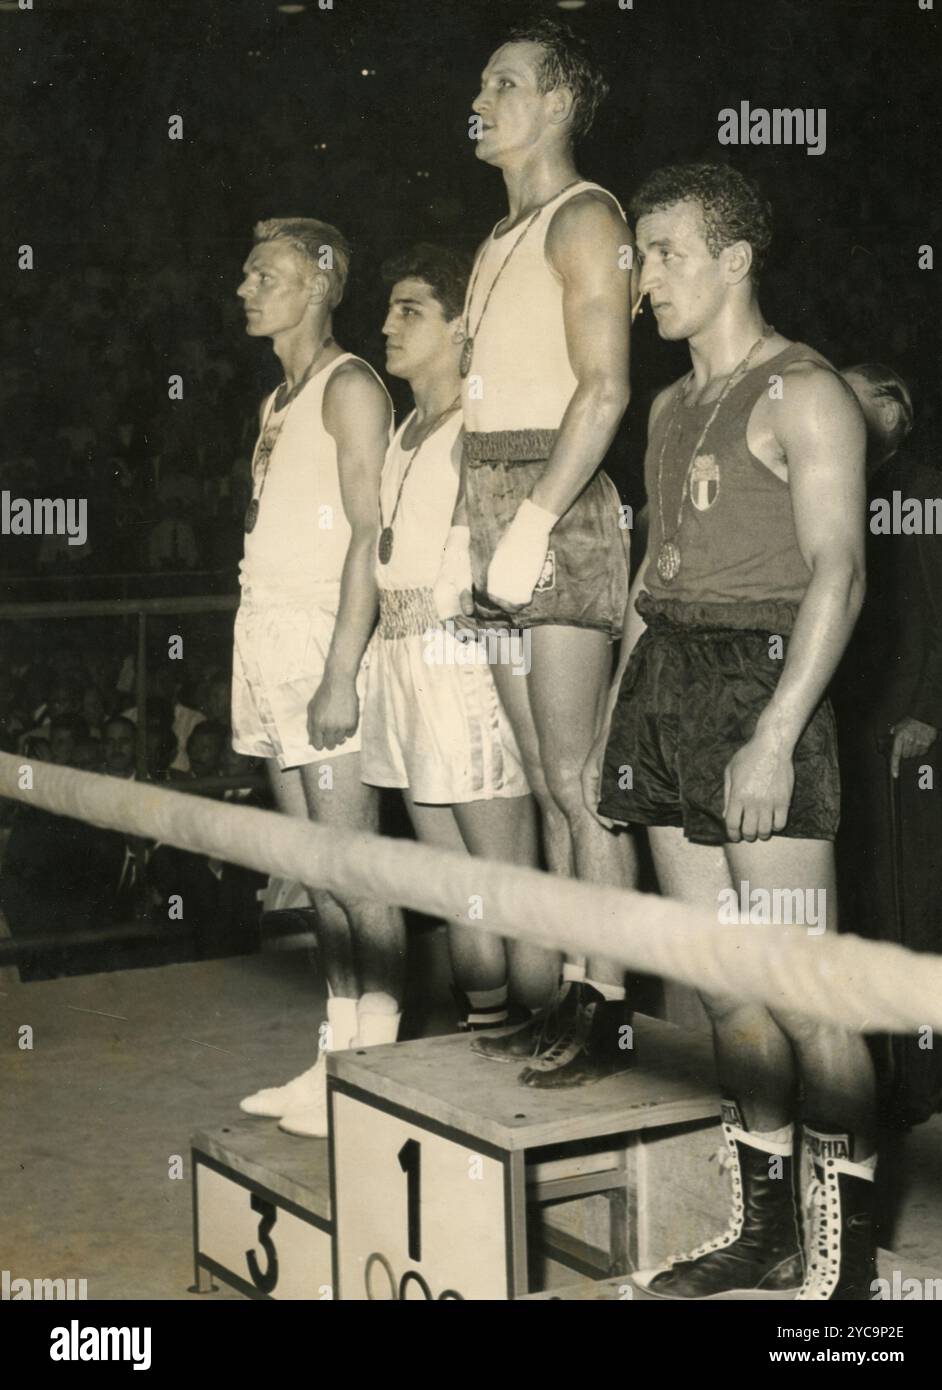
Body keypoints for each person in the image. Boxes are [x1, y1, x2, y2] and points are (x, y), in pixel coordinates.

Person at [585, 163, 876, 1300]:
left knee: (809, 994)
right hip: (667, 685)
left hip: (764, 688)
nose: (643, 277)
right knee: (724, 985)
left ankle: (842, 1272)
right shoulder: (664, 407)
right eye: (640, 255)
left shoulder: (805, 391)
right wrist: (614, 721)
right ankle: (763, 1228)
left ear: (736, 259)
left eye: (666, 254)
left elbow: (841, 576)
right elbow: (654, 579)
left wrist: (773, 735)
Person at [448, 17, 637, 1086]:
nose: (481, 95)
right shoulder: (493, 241)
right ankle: (572, 987)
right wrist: (469, 525)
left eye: (505, 81)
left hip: (555, 504)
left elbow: (604, 386)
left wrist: (530, 522)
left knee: (579, 782)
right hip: (491, 494)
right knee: (541, 777)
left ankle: (610, 1007)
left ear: (559, 104)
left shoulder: (586, 215)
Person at [232, 216, 403, 1138]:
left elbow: (372, 536)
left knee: (355, 868)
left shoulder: (350, 389)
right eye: (248, 274)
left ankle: (375, 1068)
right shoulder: (278, 400)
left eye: (268, 274)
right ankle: (338, 1053)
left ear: (323, 281)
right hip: (264, 631)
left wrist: (340, 671)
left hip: (322, 641)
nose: (246, 288)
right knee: (312, 870)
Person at [363, 243, 557, 1033]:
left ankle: (552, 1036)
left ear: (462, 328)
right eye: (388, 309)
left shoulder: (484, 420)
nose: (386, 326)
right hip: (399, 658)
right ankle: (487, 1031)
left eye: (410, 311)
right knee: (451, 883)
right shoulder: (406, 427)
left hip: (464, 658)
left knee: (506, 877)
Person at [837, 364, 942, 1128]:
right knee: (864, 905)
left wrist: (930, 715)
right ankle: (872, 1071)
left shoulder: (928, 492)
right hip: (850, 727)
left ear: (893, 408)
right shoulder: (843, 484)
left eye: (850, 395)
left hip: (909, 734)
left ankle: (918, 1088)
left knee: (915, 906)